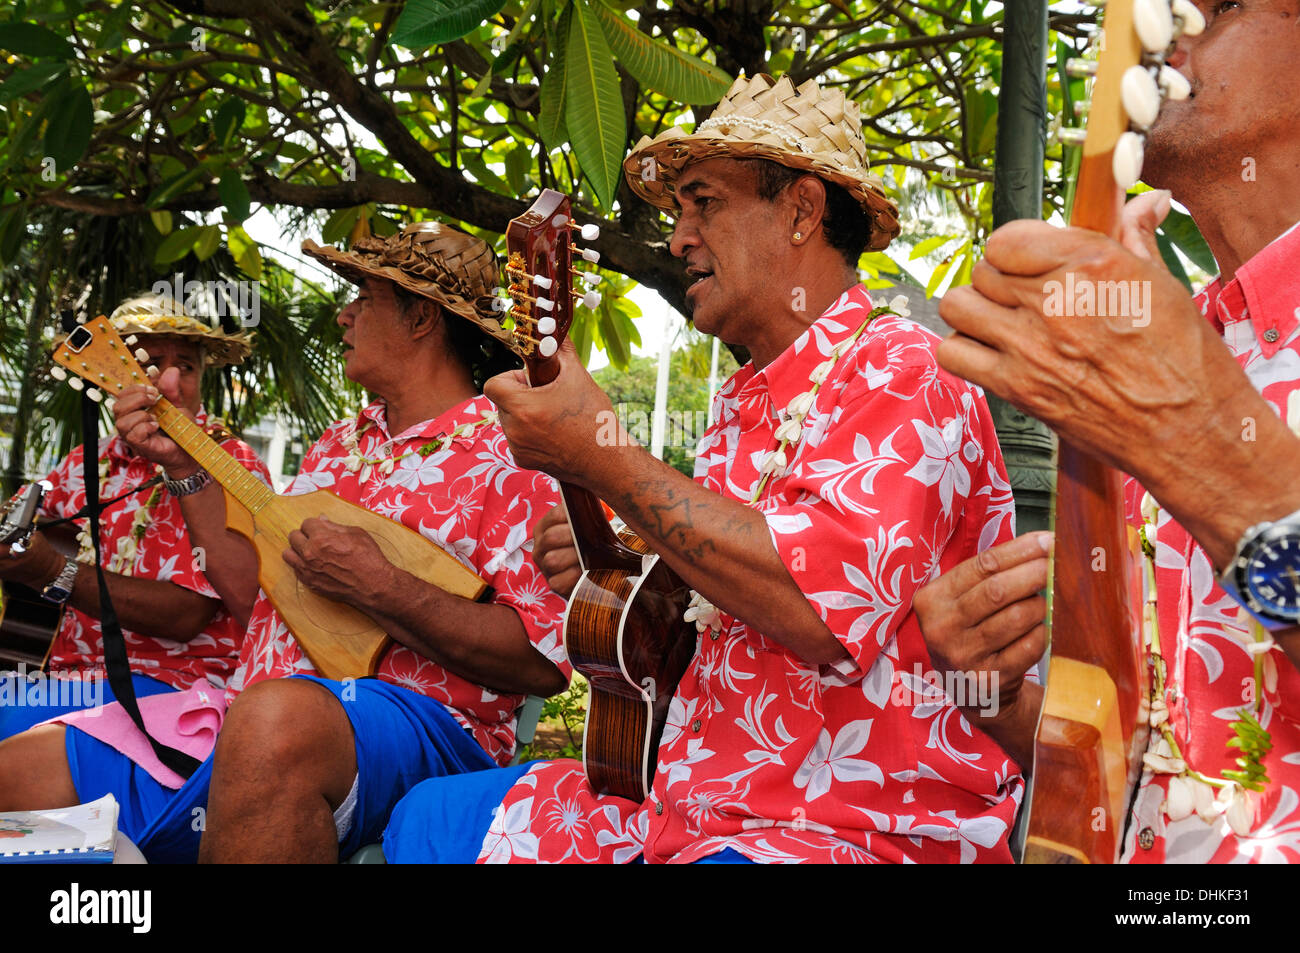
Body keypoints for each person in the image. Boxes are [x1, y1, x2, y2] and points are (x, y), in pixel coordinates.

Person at [383, 74, 1021, 864]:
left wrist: (604, 459)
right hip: (692, 805)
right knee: (428, 820)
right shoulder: (739, 400)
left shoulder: (906, 368)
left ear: (801, 211)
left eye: (704, 203)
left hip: (845, 830)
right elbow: (711, 612)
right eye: (678, 211)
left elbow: (815, 612)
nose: (678, 237)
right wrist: (620, 564)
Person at [0, 224, 570, 863]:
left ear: (421, 319)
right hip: (248, 709)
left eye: (365, 297)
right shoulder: (337, 443)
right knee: (18, 773)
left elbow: (539, 661)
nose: (344, 313)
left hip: (424, 725)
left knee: (275, 723)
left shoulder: (516, 454)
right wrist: (182, 468)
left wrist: (385, 587)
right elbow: (250, 598)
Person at [916, 0, 1300, 862]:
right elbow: (1121, 780)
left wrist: (1190, 432)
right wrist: (989, 687)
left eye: (1226, 0)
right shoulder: (1161, 351)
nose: (1175, 12)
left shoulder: (1159, 380)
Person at [0, 294, 266, 741]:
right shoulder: (85, 461)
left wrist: (55, 570)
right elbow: (22, 522)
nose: (170, 383)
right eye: (150, 363)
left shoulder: (231, 464)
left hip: (178, 691)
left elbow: (186, 615)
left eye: (187, 365)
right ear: (105, 375)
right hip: (65, 682)